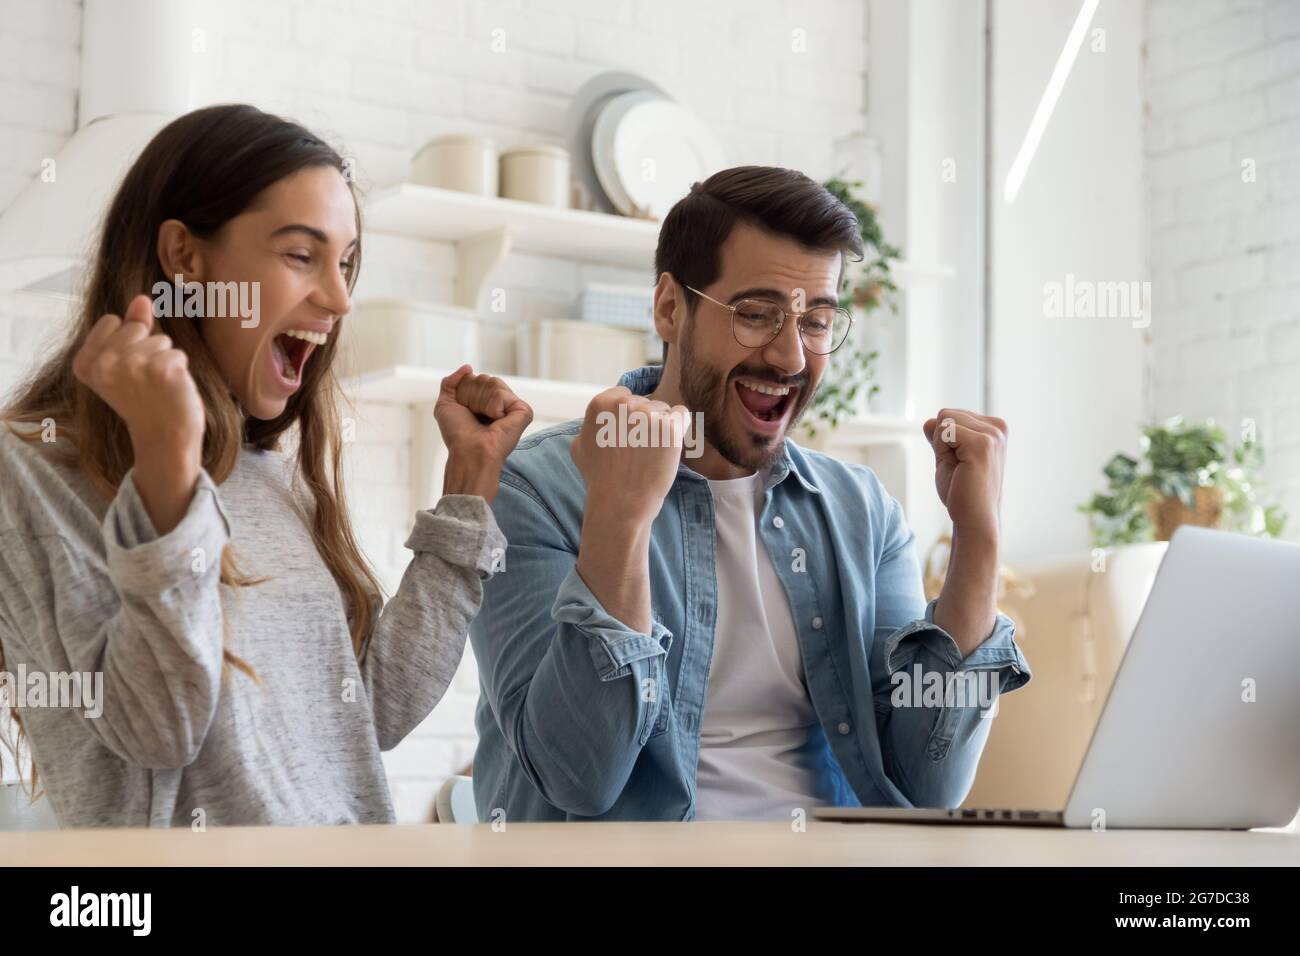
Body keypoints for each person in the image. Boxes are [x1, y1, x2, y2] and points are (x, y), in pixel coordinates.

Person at [0, 104, 532, 827]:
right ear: (185, 258)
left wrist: (468, 491)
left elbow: (365, 718)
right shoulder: (31, 472)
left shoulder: (270, 474)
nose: (340, 299)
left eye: (344, 263)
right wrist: (166, 467)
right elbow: (157, 730)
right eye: (300, 255)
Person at [470, 165, 1030, 822]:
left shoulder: (862, 512)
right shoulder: (534, 487)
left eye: (817, 321)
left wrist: (979, 538)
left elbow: (928, 785)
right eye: (757, 314)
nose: (791, 356)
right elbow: (577, 776)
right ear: (670, 308)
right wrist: (621, 519)